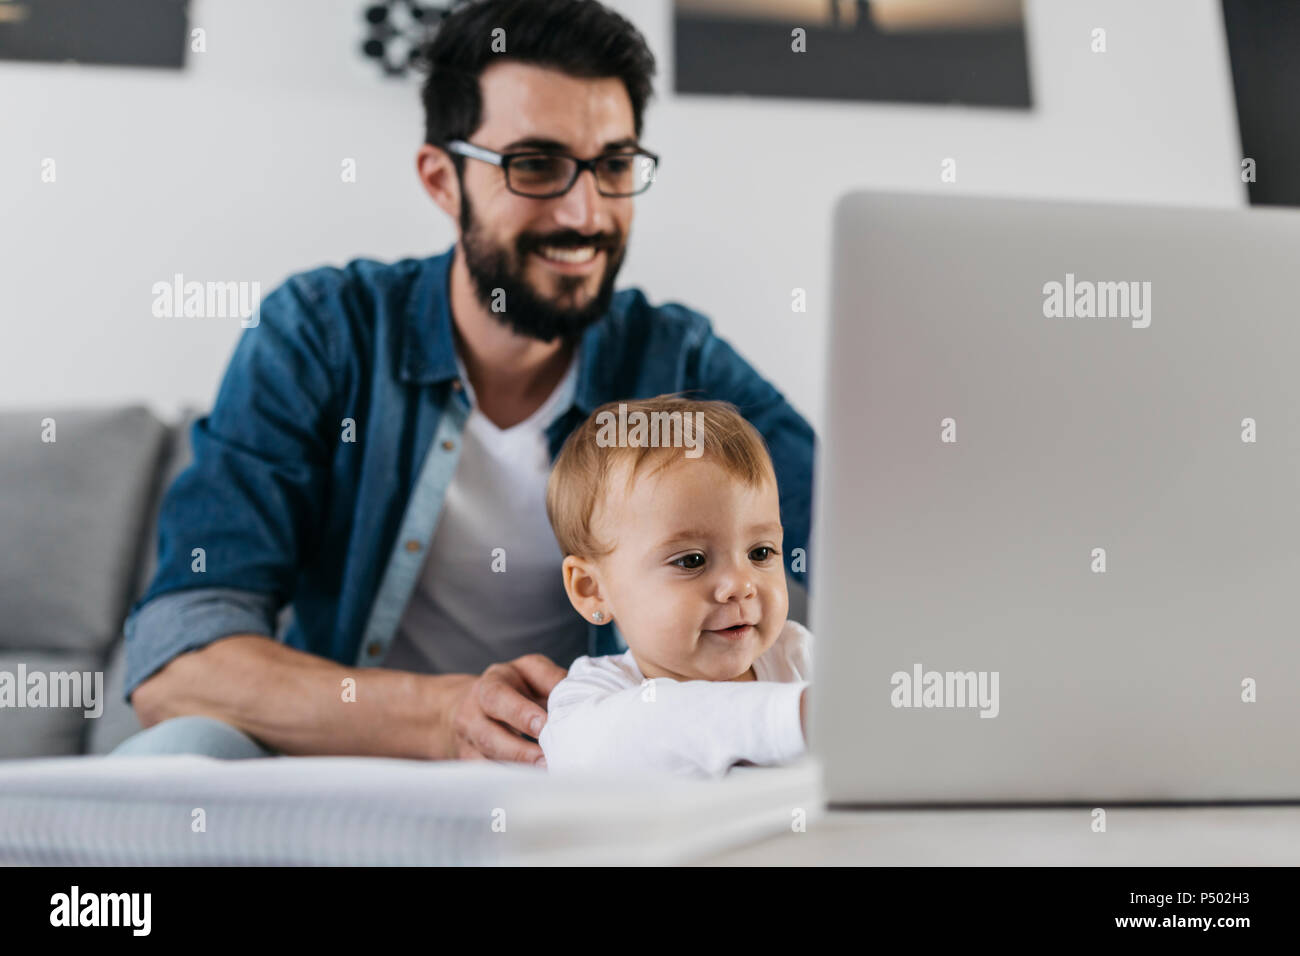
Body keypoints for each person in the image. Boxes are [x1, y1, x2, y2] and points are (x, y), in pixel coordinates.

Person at [114, 0, 814, 764]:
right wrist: (445, 715)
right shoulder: (321, 335)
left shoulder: (678, 367)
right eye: (537, 165)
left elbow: (861, 548)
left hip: (571, 785)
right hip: (341, 761)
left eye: (613, 166)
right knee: (173, 752)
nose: (586, 212)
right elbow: (178, 663)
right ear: (441, 179)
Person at [538, 396, 813, 778]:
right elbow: (592, 751)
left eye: (761, 551)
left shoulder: (796, 657)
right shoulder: (593, 695)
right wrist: (791, 717)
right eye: (692, 561)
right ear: (592, 590)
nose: (740, 584)